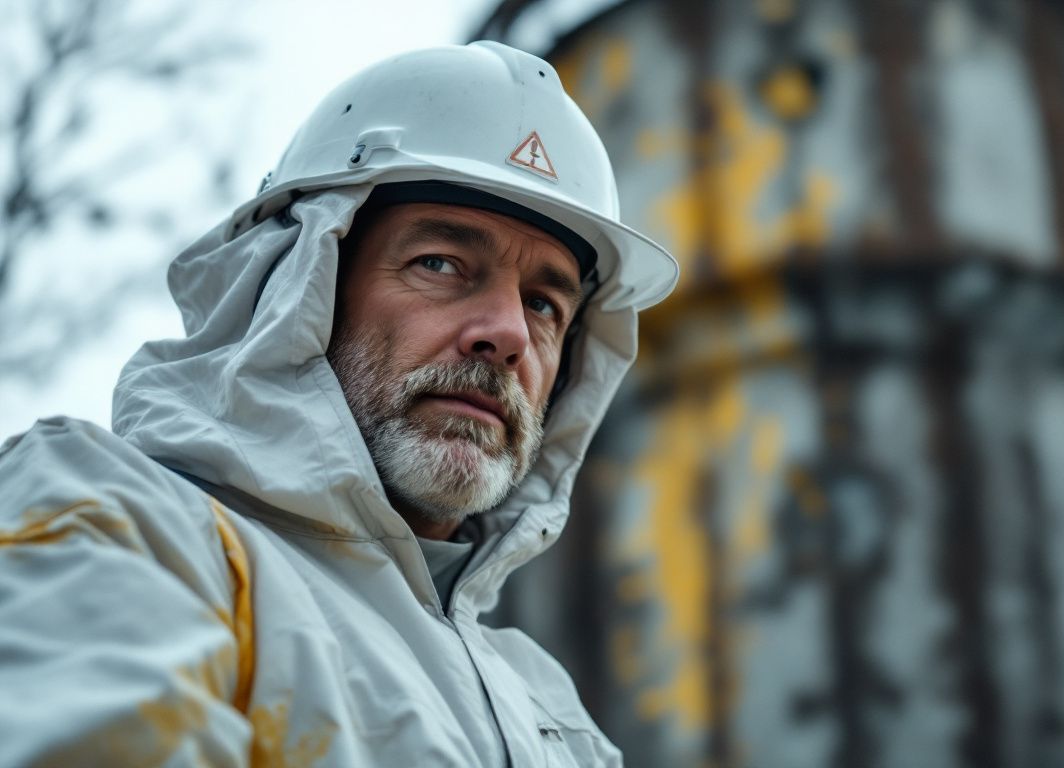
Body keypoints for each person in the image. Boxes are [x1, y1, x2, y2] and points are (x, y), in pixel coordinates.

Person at [0, 41, 677, 766]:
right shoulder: (118, 520)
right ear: (299, 289)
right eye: (441, 264)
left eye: (544, 303)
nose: (509, 333)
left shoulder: (555, 715)